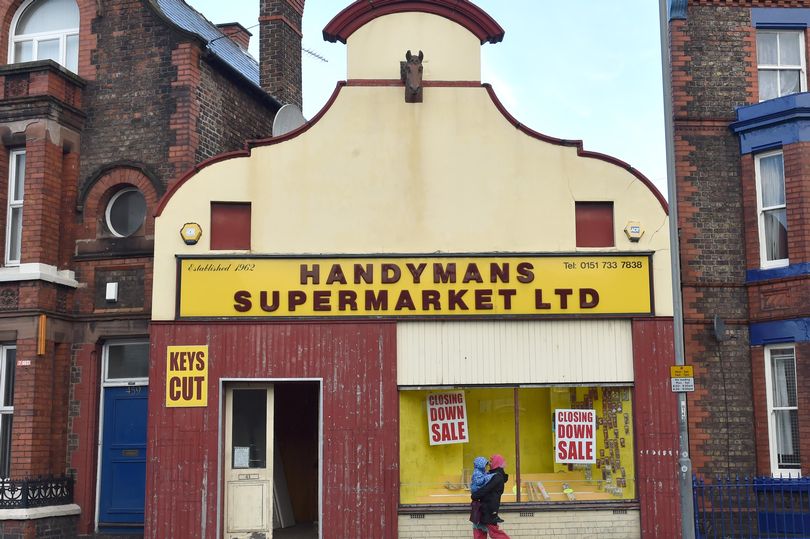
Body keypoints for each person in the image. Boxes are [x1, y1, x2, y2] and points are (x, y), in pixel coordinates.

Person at [471, 454, 511, 538]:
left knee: (495, 533)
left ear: (496, 462)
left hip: (489, 509)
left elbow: (486, 489)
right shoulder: (490, 475)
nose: (489, 463)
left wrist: (474, 495)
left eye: (491, 461)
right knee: (479, 532)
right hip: (481, 509)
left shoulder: (497, 477)